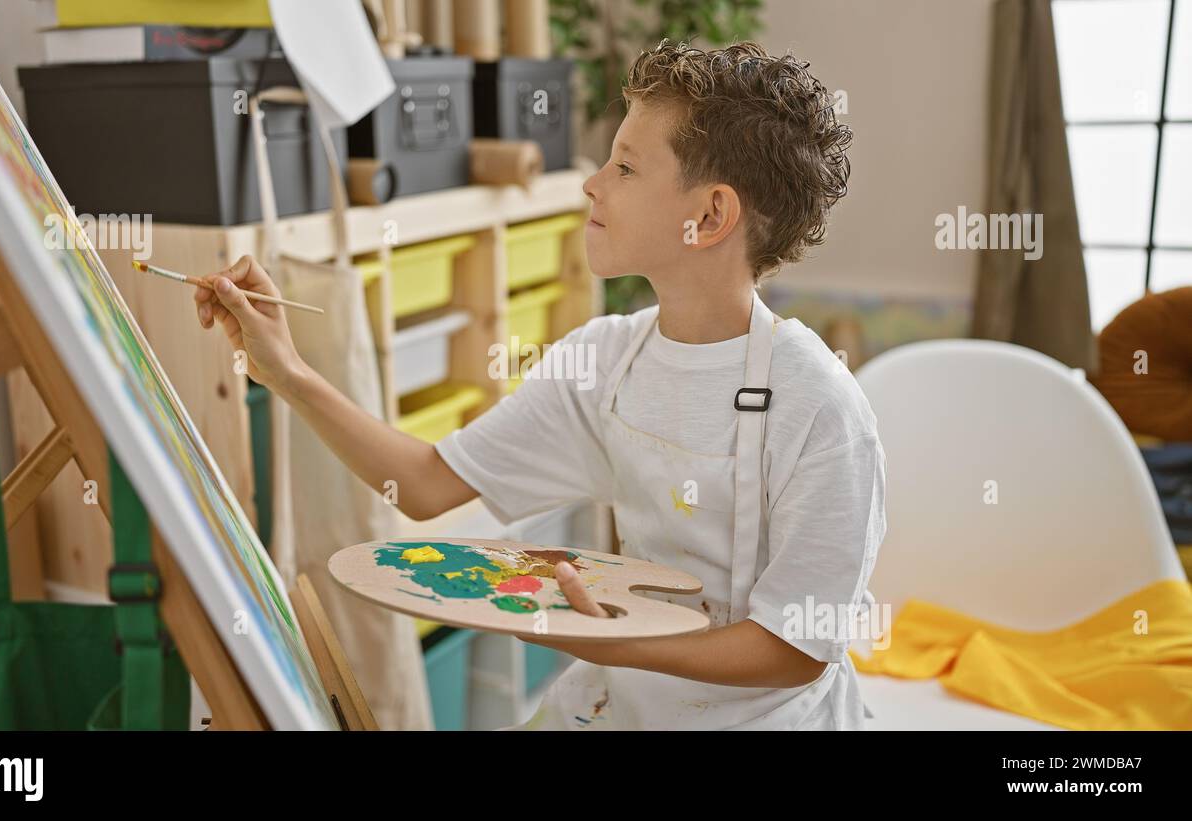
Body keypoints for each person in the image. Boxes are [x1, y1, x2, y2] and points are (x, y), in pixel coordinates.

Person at [193, 40, 886, 730]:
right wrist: (287, 370)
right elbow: (428, 484)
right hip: (628, 704)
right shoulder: (604, 361)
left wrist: (610, 639)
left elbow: (795, 649)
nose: (593, 182)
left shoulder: (821, 407)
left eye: (625, 166)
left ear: (707, 217)